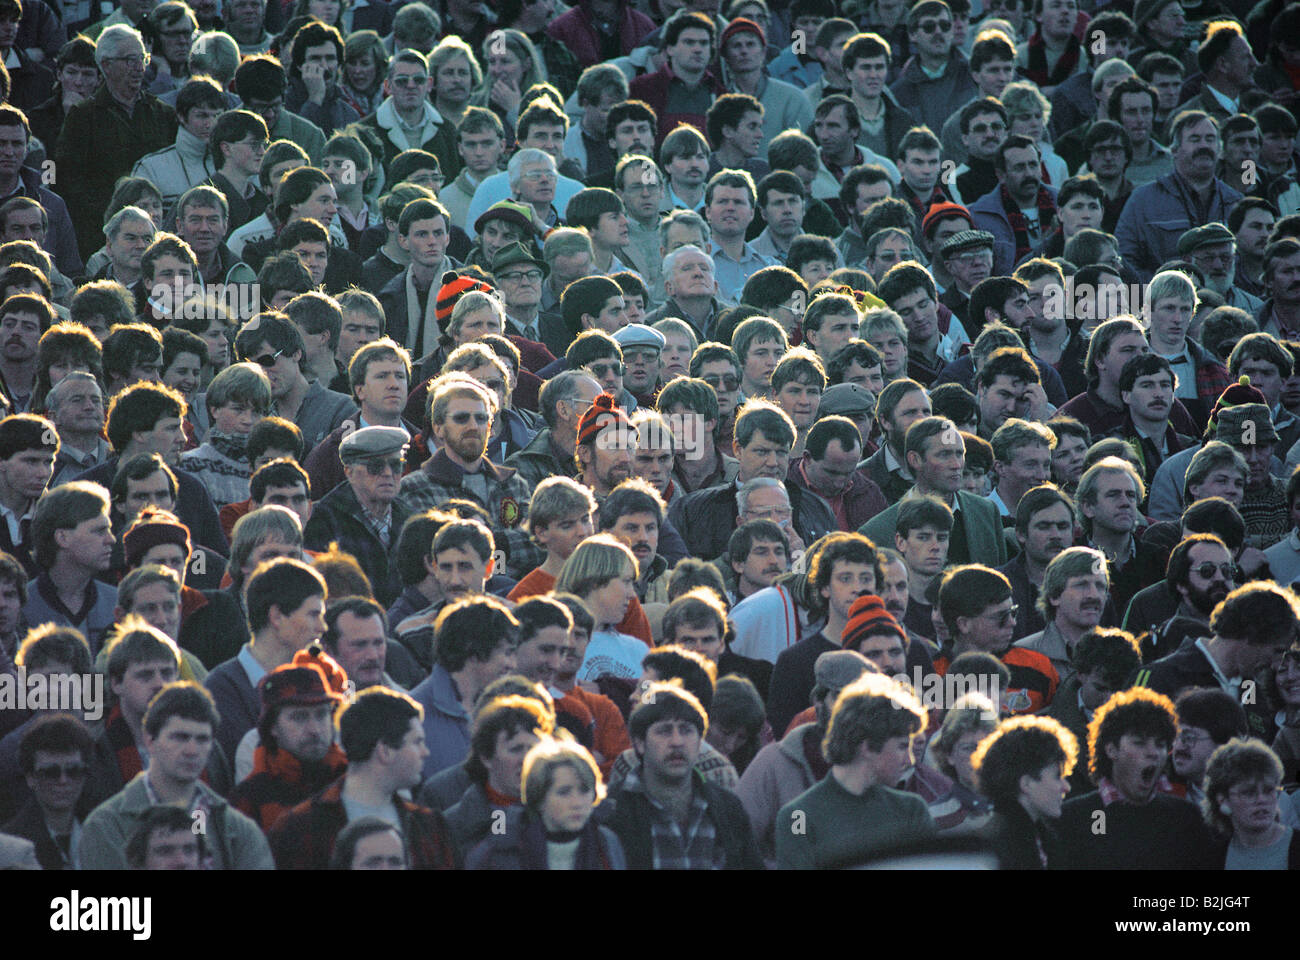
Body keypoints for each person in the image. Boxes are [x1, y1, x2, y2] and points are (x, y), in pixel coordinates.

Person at [80, 682, 274, 869]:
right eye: (179, 737)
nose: (192, 750)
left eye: (202, 739)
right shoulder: (106, 825)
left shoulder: (237, 829)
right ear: (150, 740)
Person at [268, 685, 457, 869]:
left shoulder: (430, 826)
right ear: (385, 750)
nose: (425, 752)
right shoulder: (299, 829)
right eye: (417, 742)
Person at [776, 671, 933, 868]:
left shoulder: (912, 811)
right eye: (902, 746)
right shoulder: (798, 817)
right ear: (867, 746)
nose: (909, 760)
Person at [604, 680, 762, 869]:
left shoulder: (727, 809)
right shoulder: (610, 812)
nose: (677, 741)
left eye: (686, 730)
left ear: (700, 742)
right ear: (639, 743)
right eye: (664, 731)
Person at [1056, 687, 1218, 868]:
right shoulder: (1072, 819)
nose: (1153, 753)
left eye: (1160, 744)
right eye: (1139, 743)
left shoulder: (1188, 818)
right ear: (1111, 749)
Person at [204, 557, 327, 764]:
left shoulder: (318, 677)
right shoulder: (221, 690)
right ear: (277, 616)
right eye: (313, 615)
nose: (323, 627)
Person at [861, 416, 1008, 567]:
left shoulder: (986, 511)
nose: (956, 464)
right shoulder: (879, 531)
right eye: (944, 455)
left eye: (959, 454)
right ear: (915, 460)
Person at [1116, 111, 1244, 283]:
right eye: (1195, 139)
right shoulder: (1143, 201)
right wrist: (1161, 292)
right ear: (1174, 150)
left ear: (1220, 150)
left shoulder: (1236, 203)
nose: (1204, 146)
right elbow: (1125, 261)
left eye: (1210, 139)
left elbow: (1249, 263)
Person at [466, 738, 627, 870]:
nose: (577, 802)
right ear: (539, 798)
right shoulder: (500, 851)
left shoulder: (605, 842)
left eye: (584, 791)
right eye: (563, 792)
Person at [228, 658, 348, 832]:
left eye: (321, 714)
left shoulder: (354, 781)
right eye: (299, 717)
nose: (314, 729)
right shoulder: (248, 800)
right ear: (273, 727)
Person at [408, 595, 519, 779]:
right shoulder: (414, 716)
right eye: (506, 653)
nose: (512, 664)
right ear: (474, 651)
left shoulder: (505, 707)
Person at [303, 425, 412, 607]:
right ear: (349, 472)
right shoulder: (320, 519)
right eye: (375, 467)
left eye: (395, 465)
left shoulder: (411, 519)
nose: (387, 473)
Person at [970, 714, 1078, 868]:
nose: (1066, 787)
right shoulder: (999, 848)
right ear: (1026, 783)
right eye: (1057, 776)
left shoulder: (1040, 837)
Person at [23, 480, 117, 655]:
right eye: (99, 531)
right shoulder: (21, 607)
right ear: (62, 537)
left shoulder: (118, 604)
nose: (111, 539)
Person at [1203, 737, 1300, 869]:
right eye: (1248, 793)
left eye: (1268, 790)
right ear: (1223, 800)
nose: (1261, 799)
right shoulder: (1212, 856)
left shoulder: (1295, 847)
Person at [1014, 546, 1109, 680]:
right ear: (1054, 596)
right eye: (1081, 585)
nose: (1094, 595)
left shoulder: (1119, 654)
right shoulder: (1023, 656)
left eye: (1100, 586)